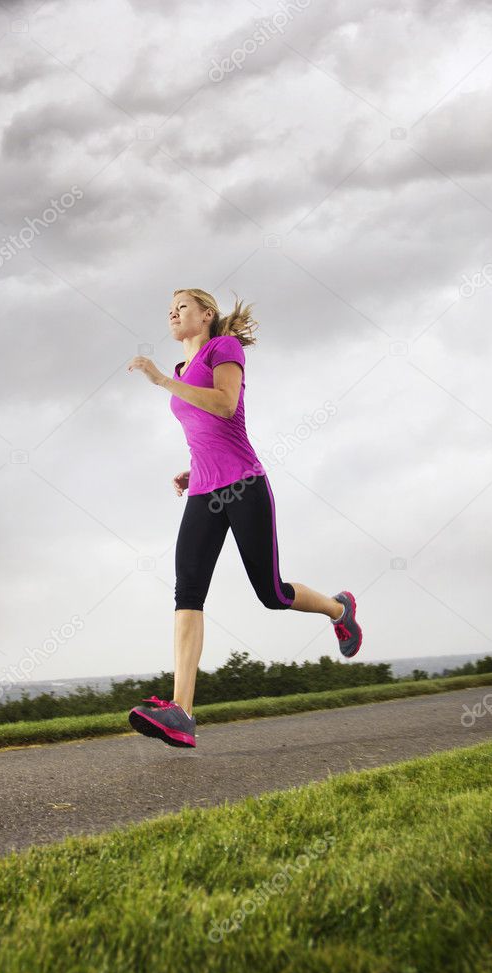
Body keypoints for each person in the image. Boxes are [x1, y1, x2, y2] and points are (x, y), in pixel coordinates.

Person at [126, 288, 362, 749]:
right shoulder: (180, 369)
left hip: (243, 485)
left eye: (182, 307)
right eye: (169, 310)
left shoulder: (222, 349)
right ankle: (182, 713)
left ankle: (340, 608)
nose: (173, 314)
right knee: (186, 593)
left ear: (207, 314)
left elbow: (224, 405)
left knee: (271, 594)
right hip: (203, 491)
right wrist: (195, 469)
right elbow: (206, 431)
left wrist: (160, 381)